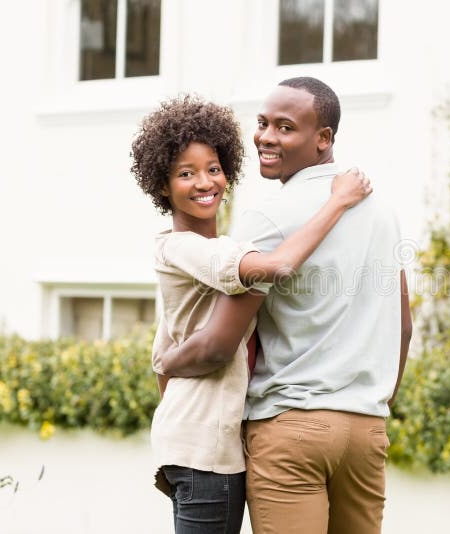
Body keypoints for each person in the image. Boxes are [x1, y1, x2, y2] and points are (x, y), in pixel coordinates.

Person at [167, 77, 413, 534]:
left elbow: (221, 343)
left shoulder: (268, 217)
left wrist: (165, 363)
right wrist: (374, 403)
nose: (266, 137)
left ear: (324, 139)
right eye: (262, 124)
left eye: (285, 127)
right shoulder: (383, 213)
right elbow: (402, 327)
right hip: (366, 429)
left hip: (291, 429)